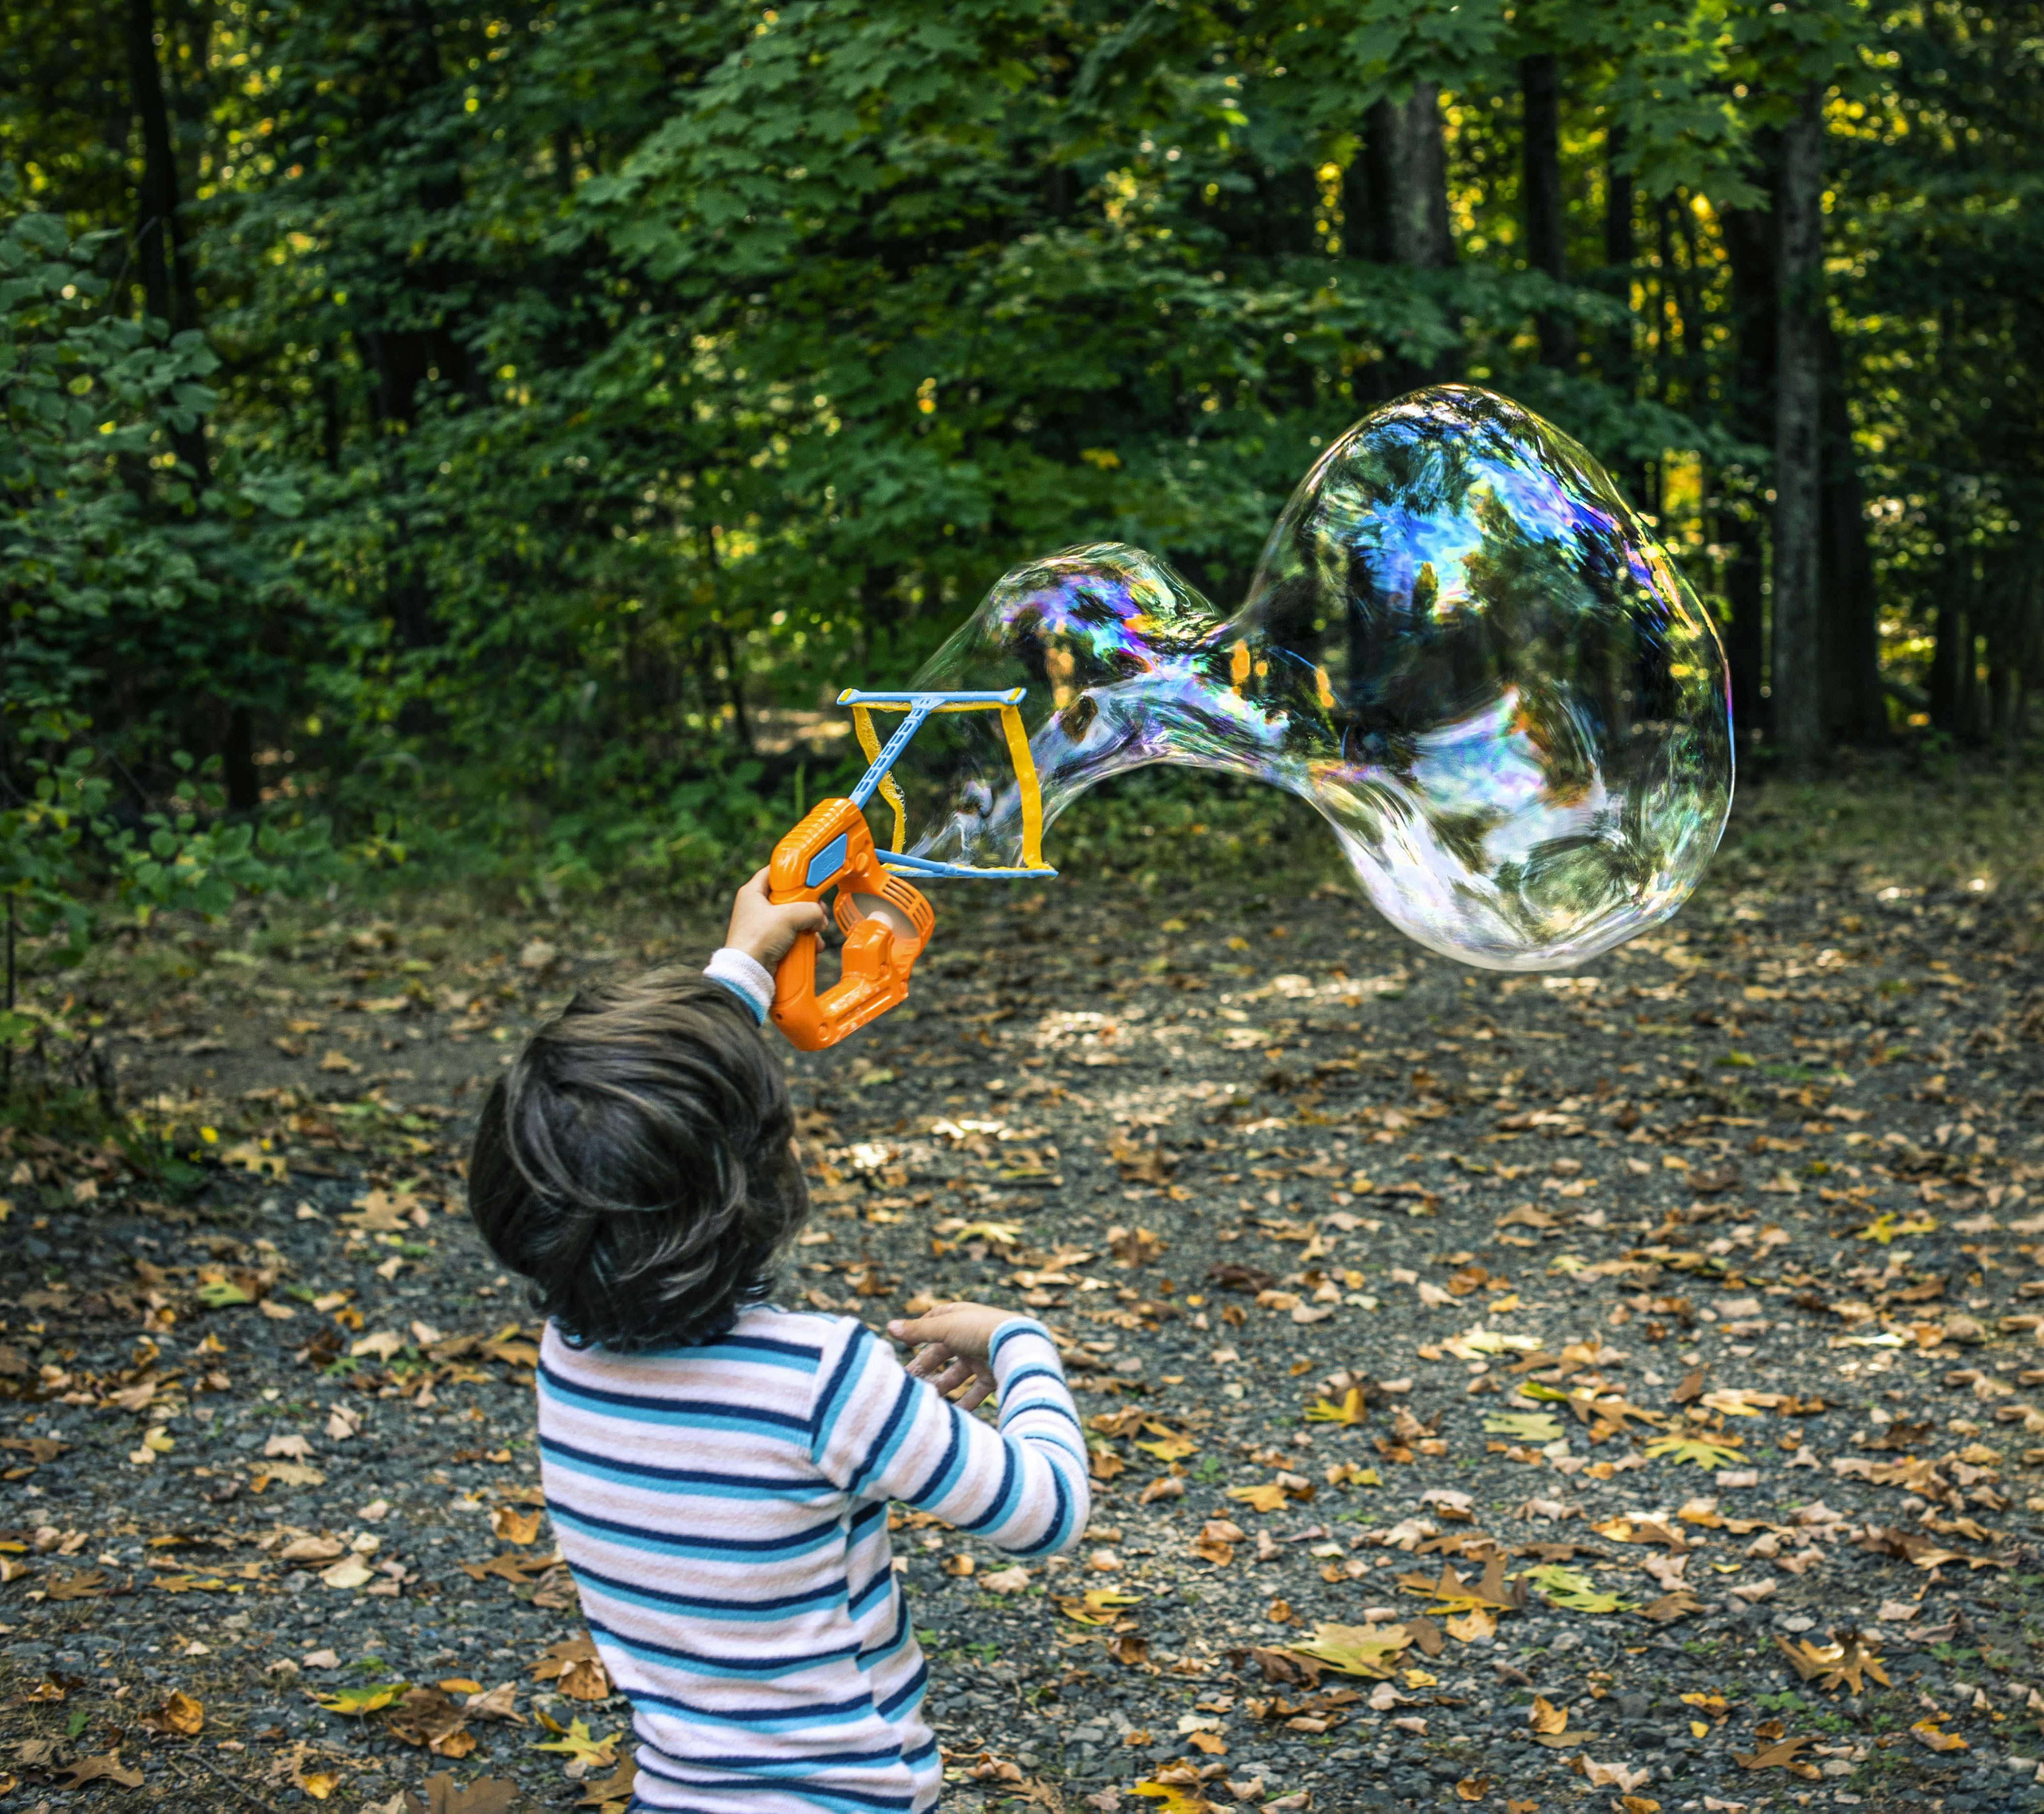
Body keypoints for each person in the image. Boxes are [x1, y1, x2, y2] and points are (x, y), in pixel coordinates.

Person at [468, 870, 1090, 1814]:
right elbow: (1046, 1509)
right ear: (760, 1188)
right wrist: (1019, 1342)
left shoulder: (569, 1352)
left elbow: (644, 1144)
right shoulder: (822, 1380)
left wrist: (743, 966)